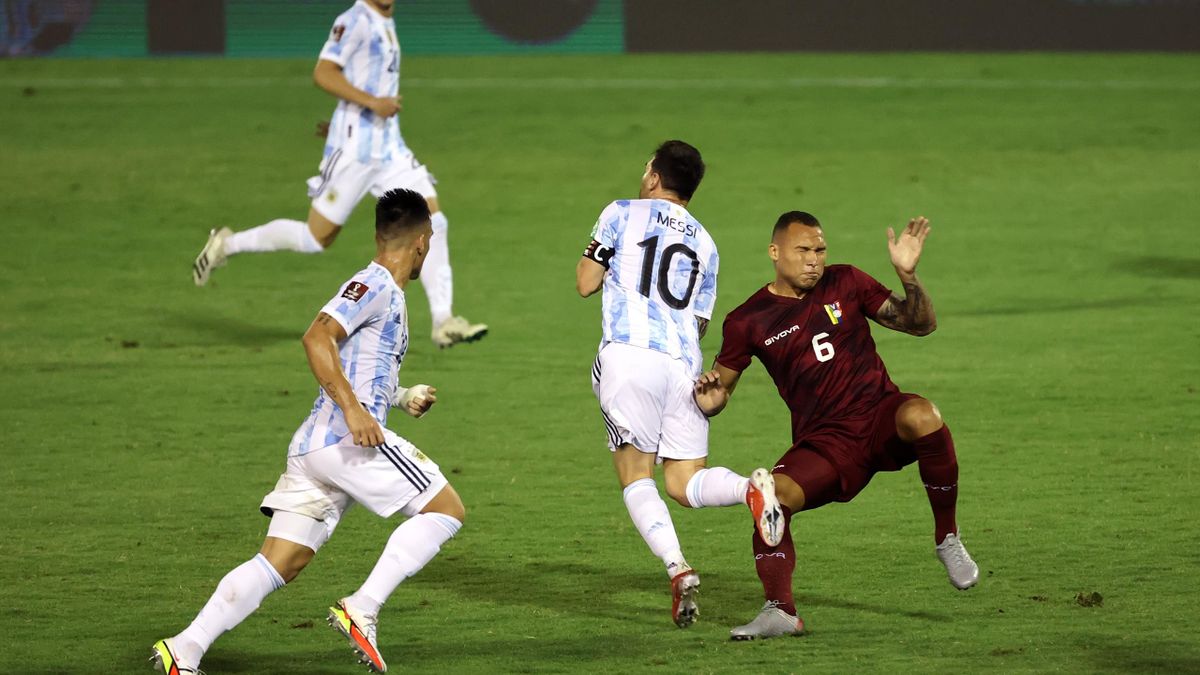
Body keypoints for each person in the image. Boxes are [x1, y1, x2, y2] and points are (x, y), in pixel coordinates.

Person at [153, 189, 465, 674]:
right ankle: (363, 606)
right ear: (422, 241)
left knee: (281, 561)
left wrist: (401, 396)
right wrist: (357, 412)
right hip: (346, 440)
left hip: (316, 447)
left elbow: (363, 365)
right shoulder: (374, 284)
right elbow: (317, 338)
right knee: (445, 509)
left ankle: (185, 648)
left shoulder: (387, 292)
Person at [693, 211, 979, 640]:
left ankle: (947, 537)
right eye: (803, 250)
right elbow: (719, 396)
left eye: (820, 250)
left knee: (923, 415)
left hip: (880, 416)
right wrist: (707, 395)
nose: (814, 260)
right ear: (775, 253)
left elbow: (920, 324)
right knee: (771, 497)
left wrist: (908, 275)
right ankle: (780, 610)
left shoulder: (845, 281)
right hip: (825, 442)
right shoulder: (747, 320)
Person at [190, 0, 486, 349]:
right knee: (316, 239)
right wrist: (370, 105)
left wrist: (352, 115)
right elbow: (324, 72)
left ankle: (443, 320)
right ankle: (228, 243)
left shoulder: (385, 19)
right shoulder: (355, 19)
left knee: (433, 219)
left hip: (389, 148)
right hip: (355, 153)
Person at [575, 140, 784, 629]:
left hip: (630, 356)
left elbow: (586, 281)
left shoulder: (620, 212)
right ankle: (749, 492)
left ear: (653, 176)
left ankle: (678, 567)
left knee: (636, 474)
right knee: (684, 482)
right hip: (684, 366)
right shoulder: (707, 245)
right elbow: (699, 323)